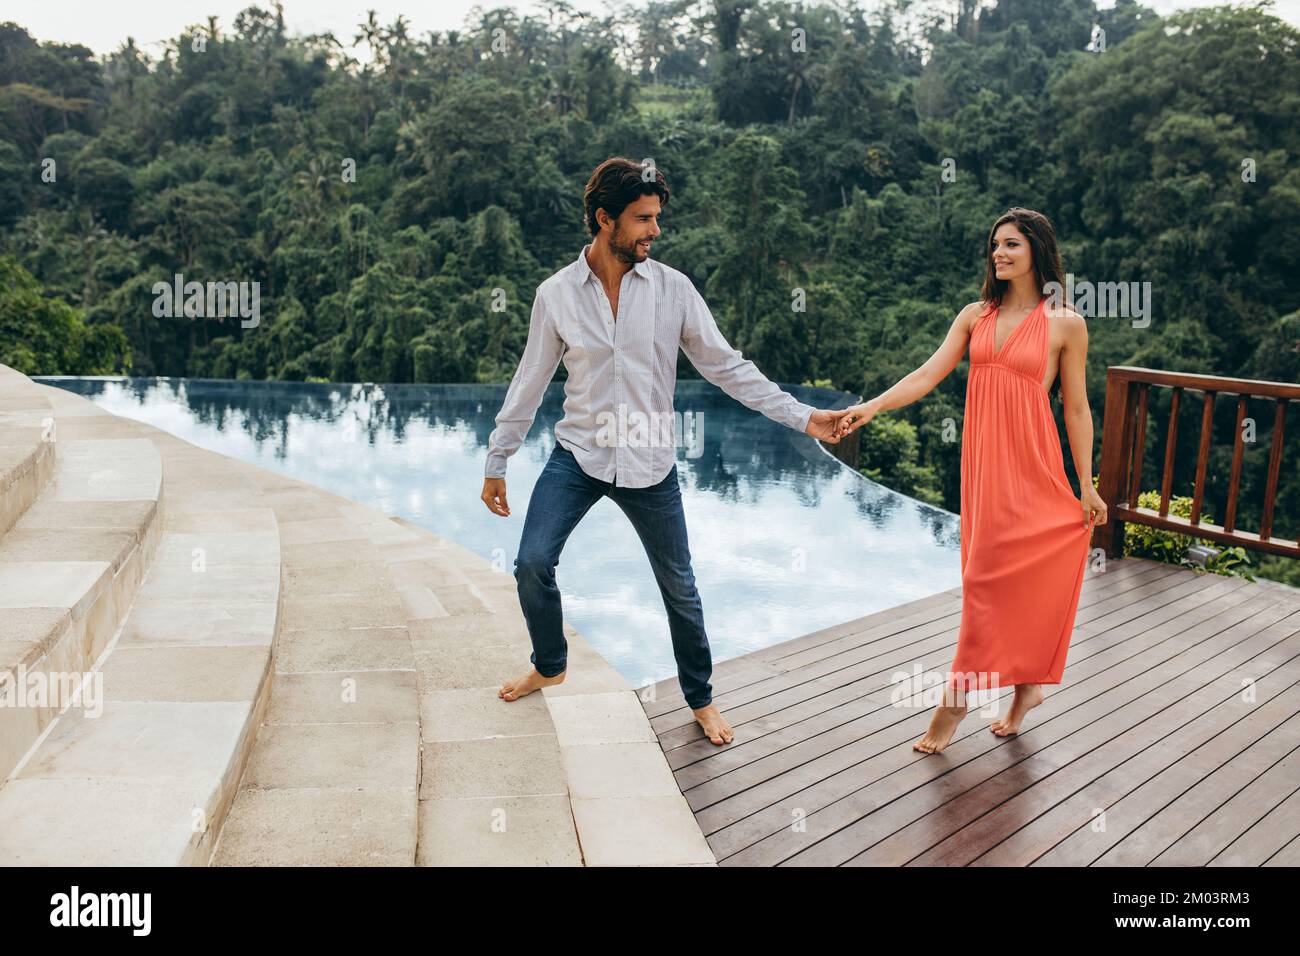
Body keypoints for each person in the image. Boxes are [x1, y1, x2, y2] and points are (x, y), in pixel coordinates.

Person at [480, 156, 849, 746]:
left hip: (651, 465)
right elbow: (529, 381)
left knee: (679, 586)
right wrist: (498, 459)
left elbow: (727, 367)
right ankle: (550, 664)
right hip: (579, 456)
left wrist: (804, 418)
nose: (655, 230)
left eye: (656, 218)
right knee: (531, 563)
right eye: (643, 219)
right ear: (605, 220)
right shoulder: (556, 296)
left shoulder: (674, 290)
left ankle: (700, 699)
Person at [834, 207, 1107, 754]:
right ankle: (1026, 690)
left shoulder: (1065, 324)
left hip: (1036, 471)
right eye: (995, 246)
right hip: (986, 474)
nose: (999, 254)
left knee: (1009, 583)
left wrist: (1086, 484)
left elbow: (1076, 408)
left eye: (1011, 245)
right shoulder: (975, 315)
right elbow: (928, 374)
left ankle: (955, 704)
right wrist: (874, 406)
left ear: (1037, 251)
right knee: (988, 580)